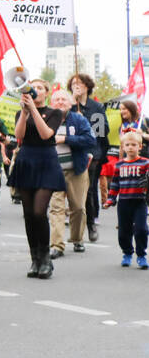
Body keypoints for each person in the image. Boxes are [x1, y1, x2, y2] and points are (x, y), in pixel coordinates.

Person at [7, 80, 65, 279]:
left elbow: (46, 134)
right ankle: (35, 258)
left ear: (46, 93)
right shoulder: (21, 112)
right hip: (26, 161)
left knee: (40, 212)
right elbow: (19, 135)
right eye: (33, 88)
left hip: (46, 161)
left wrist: (34, 110)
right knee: (29, 214)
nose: (35, 90)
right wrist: (24, 112)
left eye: (40, 88)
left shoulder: (55, 113)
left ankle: (46, 258)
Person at [46, 88, 96, 259]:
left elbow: (90, 140)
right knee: (56, 209)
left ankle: (77, 239)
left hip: (76, 171)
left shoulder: (79, 120)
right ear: (51, 103)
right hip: (53, 172)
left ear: (71, 103)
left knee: (79, 208)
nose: (60, 102)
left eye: (63, 99)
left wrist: (66, 139)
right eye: (57, 99)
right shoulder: (46, 119)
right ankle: (57, 245)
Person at [68, 73, 107, 242]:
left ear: (87, 87)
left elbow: (102, 130)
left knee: (89, 189)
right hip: (70, 150)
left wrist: (85, 123)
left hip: (91, 151)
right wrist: (71, 102)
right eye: (73, 84)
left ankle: (90, 224)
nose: (77, 86)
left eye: (80, 83)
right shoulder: (67, 104)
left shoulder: (96, 107)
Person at [109, 130, 149, 268]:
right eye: (127, 144)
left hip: (140, 202)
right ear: (123, 147)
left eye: (134, 144)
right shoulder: (119, 165)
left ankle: (142, 255)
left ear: (140, 147)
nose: (131, 147)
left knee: (141, 230)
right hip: (124, 202)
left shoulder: (145, 163)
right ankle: (127, 252)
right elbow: (114, 184)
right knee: (123, 232)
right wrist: (111, 199)